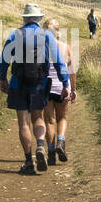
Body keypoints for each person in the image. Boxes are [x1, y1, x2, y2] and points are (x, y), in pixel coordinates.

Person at [0, 2, 70, 174]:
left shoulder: (15, 34)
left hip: (18, 83)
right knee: (38, 118)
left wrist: (3, 79)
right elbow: (59, 62)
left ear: (25, 18)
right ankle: (40, 146)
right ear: (39, 19)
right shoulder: (47, 36)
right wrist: (65, 83)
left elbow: (3, 61)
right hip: (40, 84)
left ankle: (29, 162)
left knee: (23, 123)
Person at [42, 17, 76, 164]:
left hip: (45, 88)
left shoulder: (40, 48)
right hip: (62, 87)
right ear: (58, 31)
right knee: (62, 117)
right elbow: (72, 70)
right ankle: (61, 143)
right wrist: (73, 89)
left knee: (49, 120)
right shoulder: (65, 47)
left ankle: (50, 150)